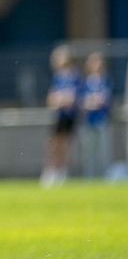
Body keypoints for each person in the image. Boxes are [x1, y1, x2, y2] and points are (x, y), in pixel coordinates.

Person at [42, 45, 80, 187]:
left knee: (65, 144)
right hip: (59, 115)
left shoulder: (74, 76)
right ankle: (52, 169)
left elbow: (72, 97)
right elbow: (51, 97)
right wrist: (59, 99)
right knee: (53, 143)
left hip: (69, 116)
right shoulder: (58, 76)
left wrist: (61, 99)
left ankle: (63, 172)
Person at [78, 51, 112, 180]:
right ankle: (89, 177)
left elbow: (104, 100)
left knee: (104, 151)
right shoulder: (86, 82)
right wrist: (93, 101)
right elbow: (82, 102)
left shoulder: (106, 80)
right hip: (89, 121)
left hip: (102, 121)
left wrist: (92, 101)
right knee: (88, 152)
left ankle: (105, 177)